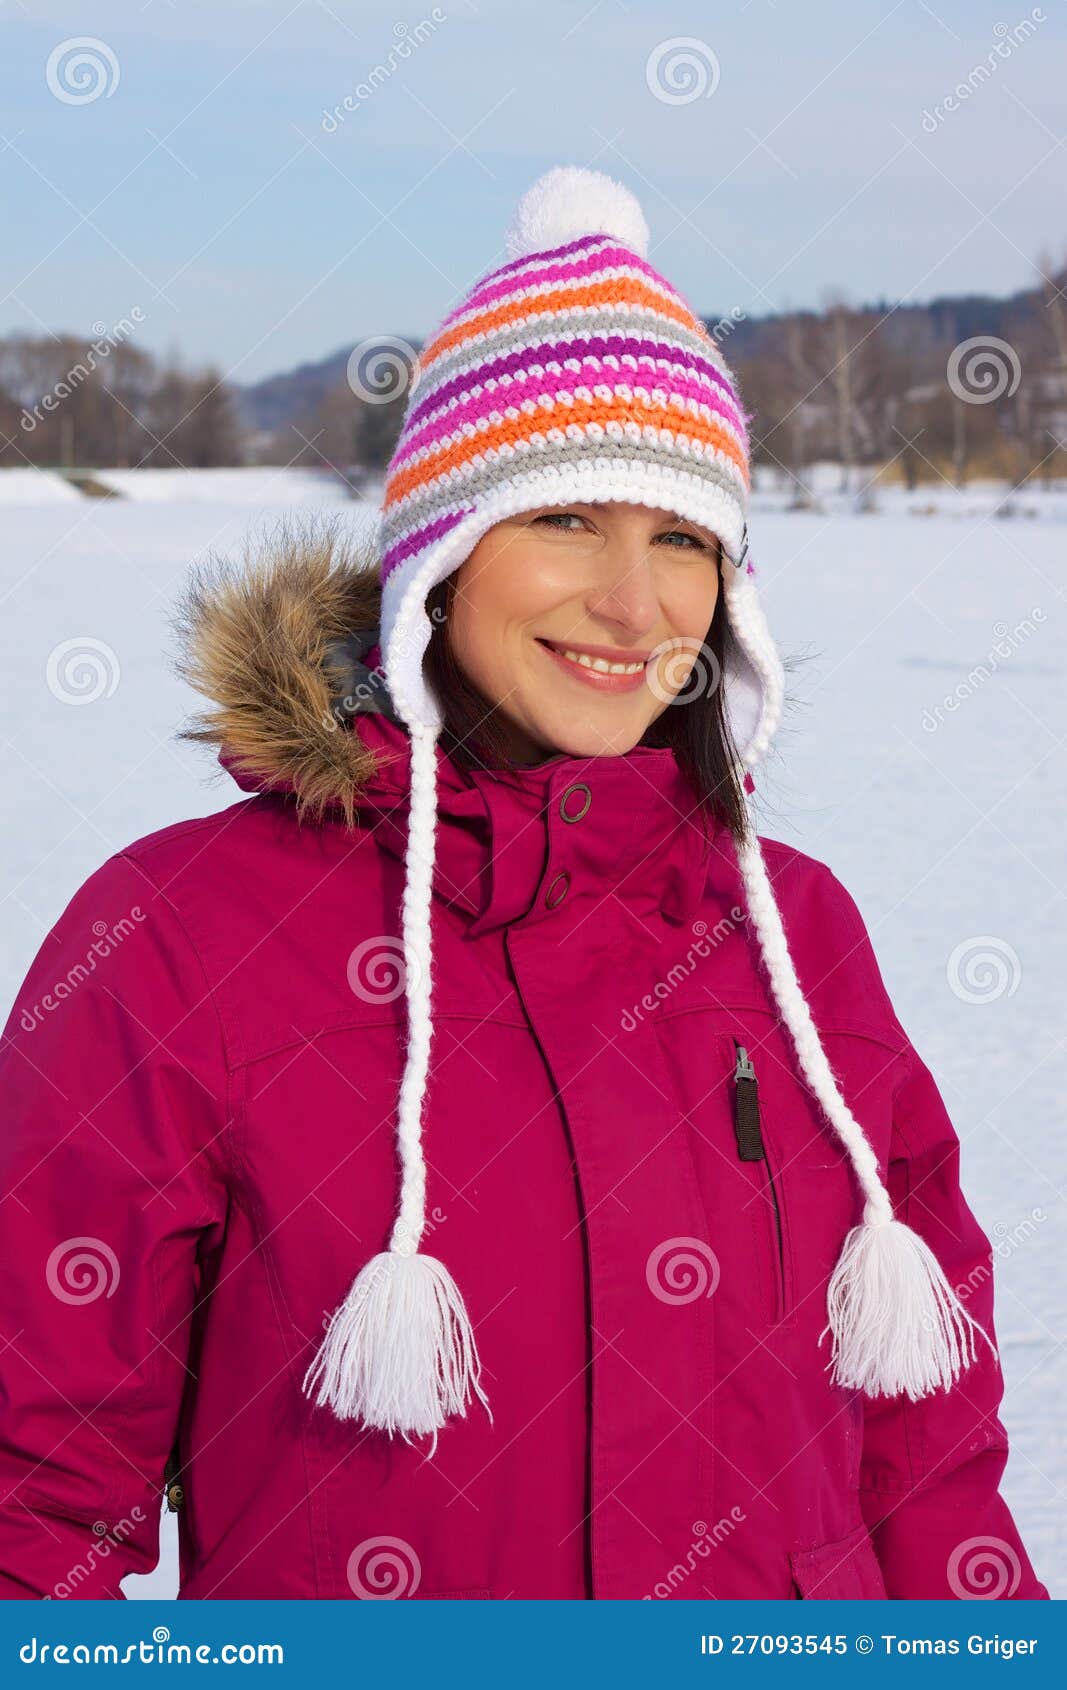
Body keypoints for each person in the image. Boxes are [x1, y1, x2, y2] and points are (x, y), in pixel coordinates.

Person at [0, 166, 1047, 1601]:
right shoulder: (178, 937)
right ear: (437, 554)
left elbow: (925, 1452)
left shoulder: (797, 933)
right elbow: (34, 1489)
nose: (633, 604)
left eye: (680, 536)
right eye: (566, 520)